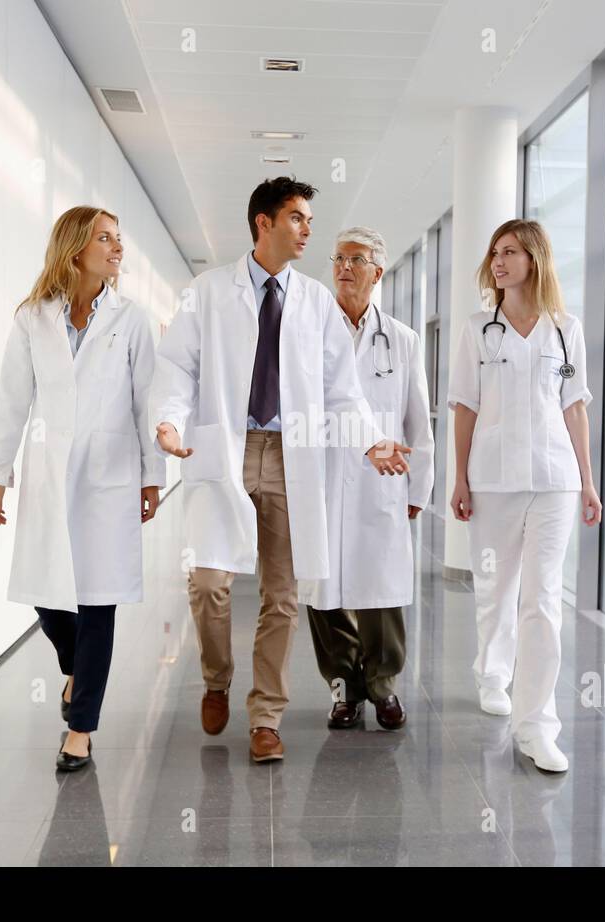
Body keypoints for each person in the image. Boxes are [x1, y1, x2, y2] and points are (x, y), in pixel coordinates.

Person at [150, 177, 412, 764]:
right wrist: (168, 421)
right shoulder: (207, 291)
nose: (308, 230)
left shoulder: (316, 301)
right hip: (227, 449)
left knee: (283, 594)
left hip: (293, 456)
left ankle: (265, 717)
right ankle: (216, 677)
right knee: (209, 582)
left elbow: (341, 390)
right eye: (297, 217)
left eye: (309, 219)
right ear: (263, 223)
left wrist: (369, 441)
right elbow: (176, 370)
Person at [0, 206, 164, 772]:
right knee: (47, 594)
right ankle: (74, 669)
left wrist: (152, 473)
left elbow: (147, 400)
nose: (116, 248)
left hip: (109, 473)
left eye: (118, 238)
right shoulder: (33, 317)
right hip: (49, 472)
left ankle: (80, 728)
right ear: (75, 247)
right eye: (105, 238)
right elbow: (12, 396)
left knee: (97, 600)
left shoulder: (131, 319)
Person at [446, 218, 602, 774]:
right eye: (494, 252)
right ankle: (493, 673)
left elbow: (574, 406)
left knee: (543, 601)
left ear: (535, 259)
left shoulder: (565, 329)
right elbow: (464, 405)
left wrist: (586, 479)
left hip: (555, 479)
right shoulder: (477, 328)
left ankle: (536, 726)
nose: (499, 261)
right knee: (496, 586)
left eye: (510, 251)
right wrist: (459, 478)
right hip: (492, 477)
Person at [300, 226, 434, 731]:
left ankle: (382, 686)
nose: (344, 268)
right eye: (338, 258)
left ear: (378, 272)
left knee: (381, 588)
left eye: (356, 260)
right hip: (323, 478)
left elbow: (418, 422)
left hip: (382, 482)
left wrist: (418, 487)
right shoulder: (307, 333)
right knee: (323, 588)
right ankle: (342, 687)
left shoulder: (401, 340)